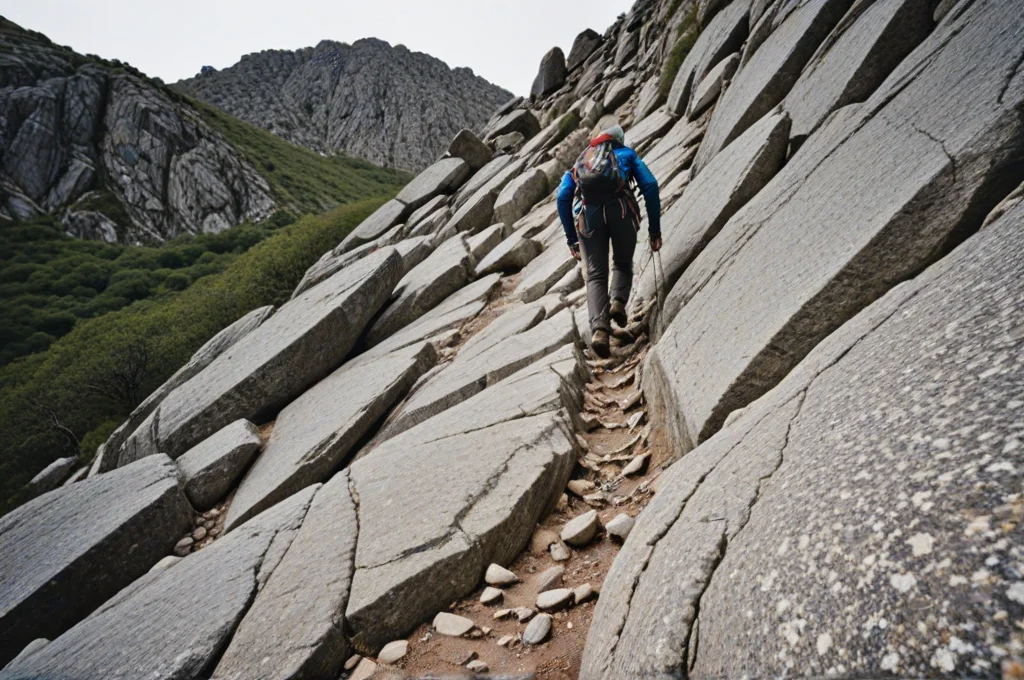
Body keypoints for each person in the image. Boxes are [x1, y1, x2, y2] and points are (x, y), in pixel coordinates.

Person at [556, 124, 661, 358]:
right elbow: (650, 186)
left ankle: (600, 332)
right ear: (619, 140)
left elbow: (562, 197)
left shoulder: (582, 160)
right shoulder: (626, 154)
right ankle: (618, 302)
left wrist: (572, 239)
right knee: (622, 262)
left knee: (595, 275)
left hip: (588, 218)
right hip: (622, 211)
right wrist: (654, 230)